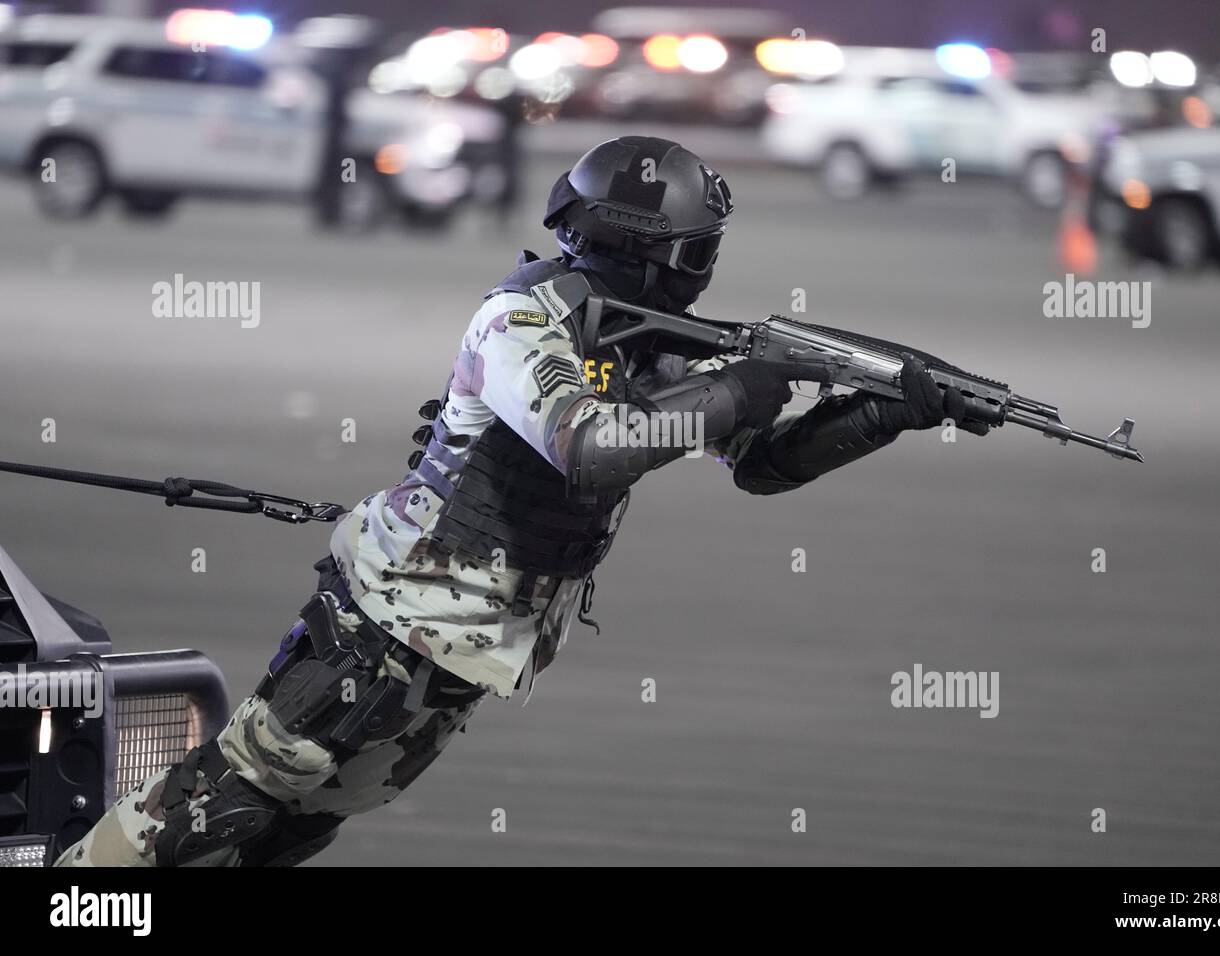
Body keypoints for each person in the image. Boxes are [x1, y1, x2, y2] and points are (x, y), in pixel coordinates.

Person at [55, 136, 970, 867]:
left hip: (471, 648)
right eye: (695, 253)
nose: (706, 272)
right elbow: (591, 448)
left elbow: (763, 466)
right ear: (638, 249)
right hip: (390, 624)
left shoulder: (656, 346)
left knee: (296, 828)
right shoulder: (520, 319)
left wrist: (880, 416)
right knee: (230, 798)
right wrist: (740, 386)